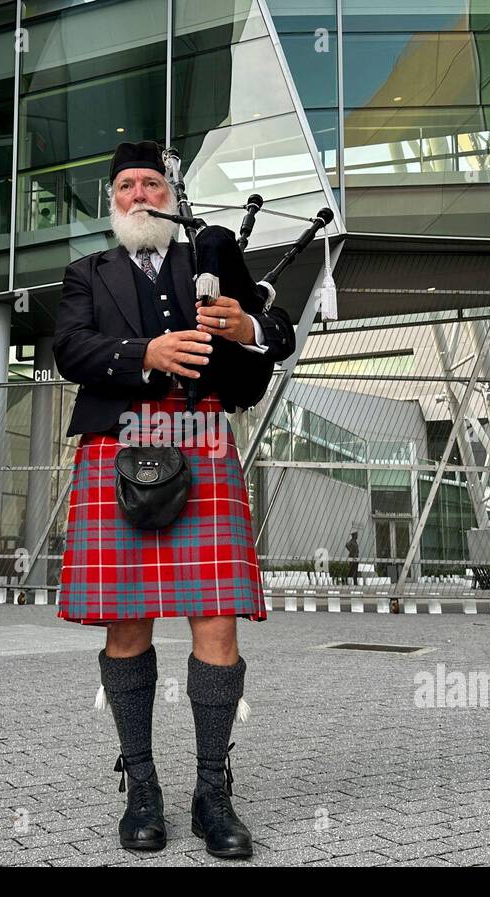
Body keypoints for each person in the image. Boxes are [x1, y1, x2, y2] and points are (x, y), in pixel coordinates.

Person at [52, 140, 294, 859]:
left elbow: (274, 334)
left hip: (203, 443)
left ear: (170, 196)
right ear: (113, 202)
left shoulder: (209, 261)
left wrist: (246, 328)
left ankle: (212, 795)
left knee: (217, 625)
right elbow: (70, 350)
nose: (139, 195)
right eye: (126, 186)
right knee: (127, 625)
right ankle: (143, 786)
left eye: (151, 183)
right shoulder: (85, 275)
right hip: (116, 447)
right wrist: (145, 355)